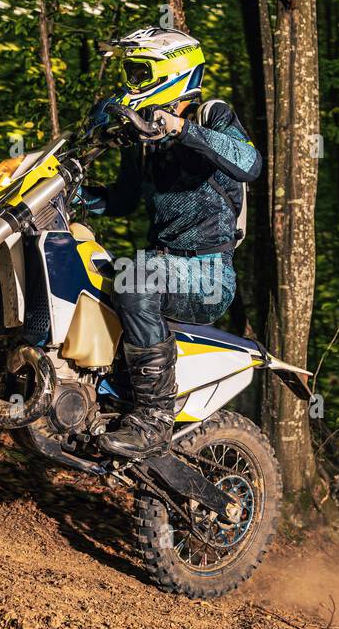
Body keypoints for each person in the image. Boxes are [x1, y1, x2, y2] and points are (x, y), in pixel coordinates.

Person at [80, 26, 261, 457]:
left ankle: (154, 418)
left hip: (209, 273)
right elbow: (120, 200)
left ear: (172, 72)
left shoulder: (210, 116)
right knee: (89, 272)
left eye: (139, 73)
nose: (130, 83)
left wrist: (180, 128)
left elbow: (249, 163)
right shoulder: (144, 140)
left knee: (135, 279)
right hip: (162, 265)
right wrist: (75, 193)